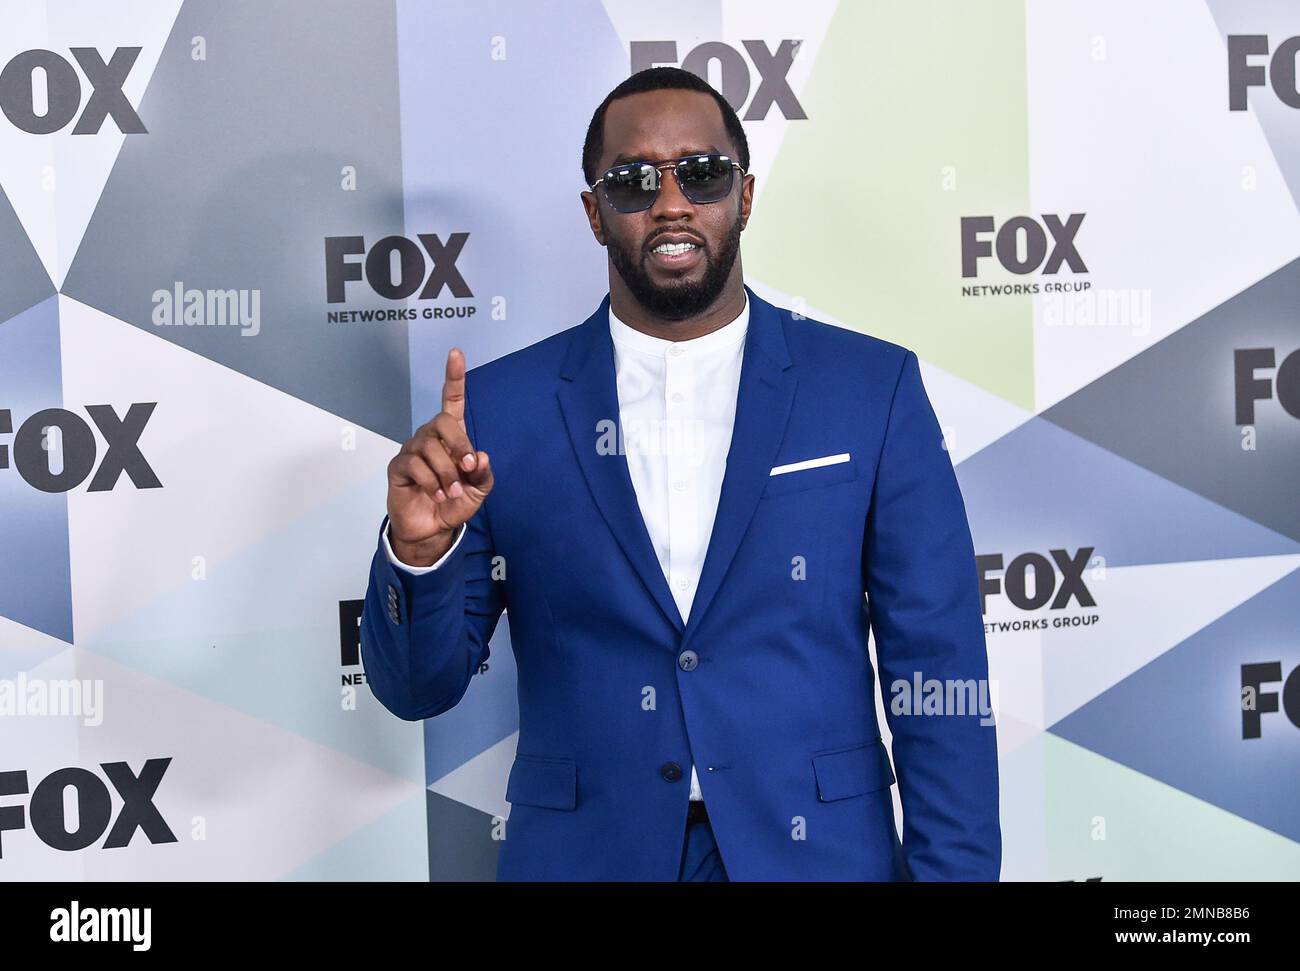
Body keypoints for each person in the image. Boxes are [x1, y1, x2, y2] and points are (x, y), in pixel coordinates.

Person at [361, 67, 1000, 881]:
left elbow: (939, 665)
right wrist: (419, 556)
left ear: (745, 194)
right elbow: (419, 687)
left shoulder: (870, 390)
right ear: (594, 214)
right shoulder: (498, 412)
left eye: (701, 173)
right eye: (633, 182)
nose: (670, 203)